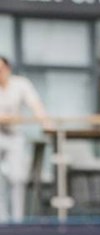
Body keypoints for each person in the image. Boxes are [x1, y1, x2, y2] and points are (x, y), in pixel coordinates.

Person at [0, 55, 53, 224]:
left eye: (1, 69)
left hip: (14, 135)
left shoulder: (20, 84)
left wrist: (45, 123)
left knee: (17, 178)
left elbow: (35, 105)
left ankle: (17, 221)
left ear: (8, 69)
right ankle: (2, 219)